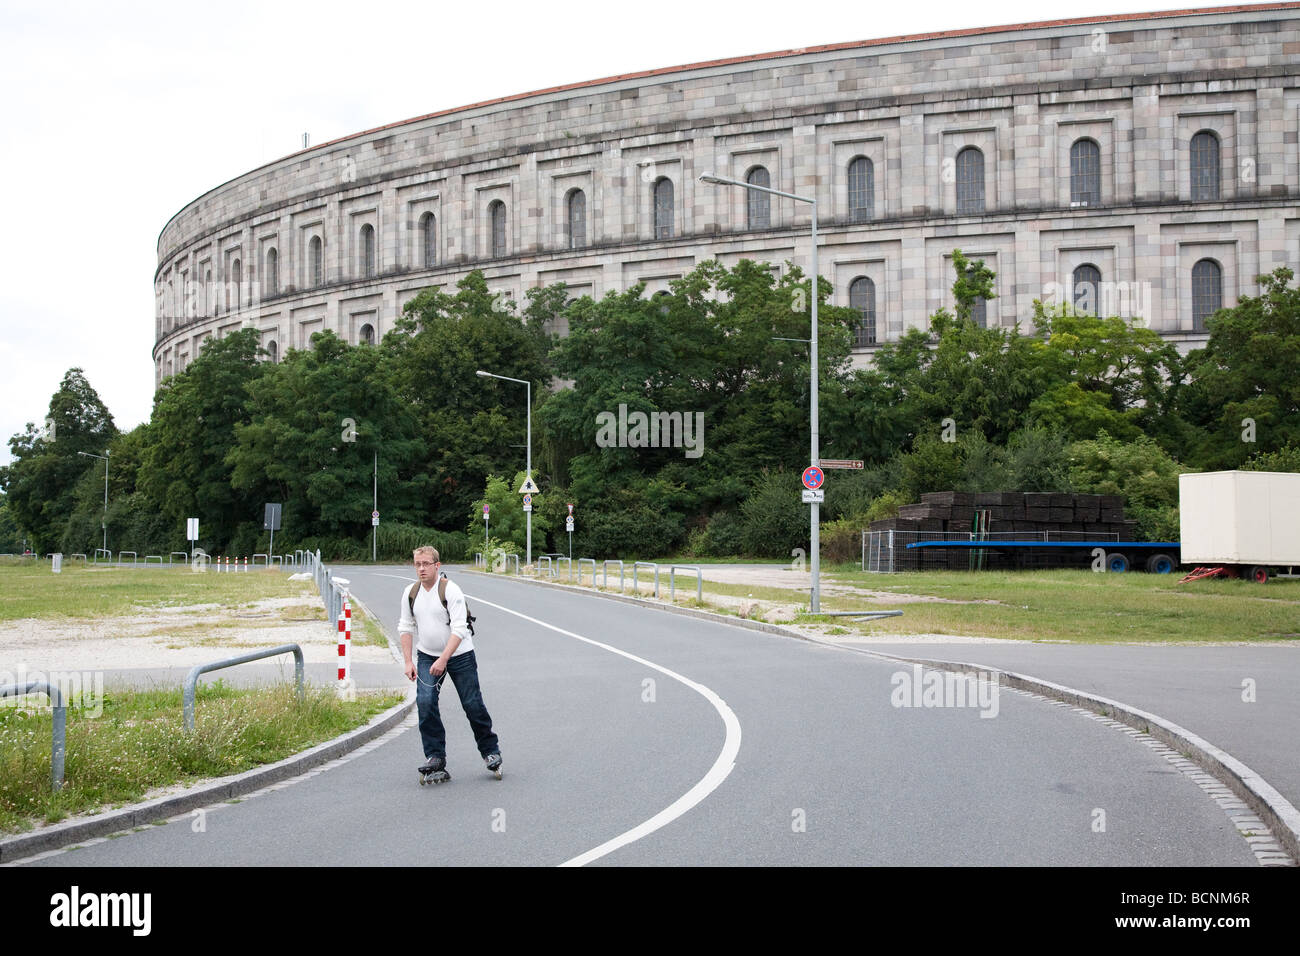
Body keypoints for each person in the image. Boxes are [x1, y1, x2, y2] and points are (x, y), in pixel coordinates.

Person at [399, 546, 501, 780]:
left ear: (437, 565)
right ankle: (435, 756)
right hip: (427, 655)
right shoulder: (410, 593)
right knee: (425, 703)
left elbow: (460, 629)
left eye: (426, 564)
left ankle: (490, 751)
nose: (421, 568)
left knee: (472, 704)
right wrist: (407, 661)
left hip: (459, 655)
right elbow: (405, 626)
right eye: (417, 564)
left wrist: (444, 659)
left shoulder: (450, 590)